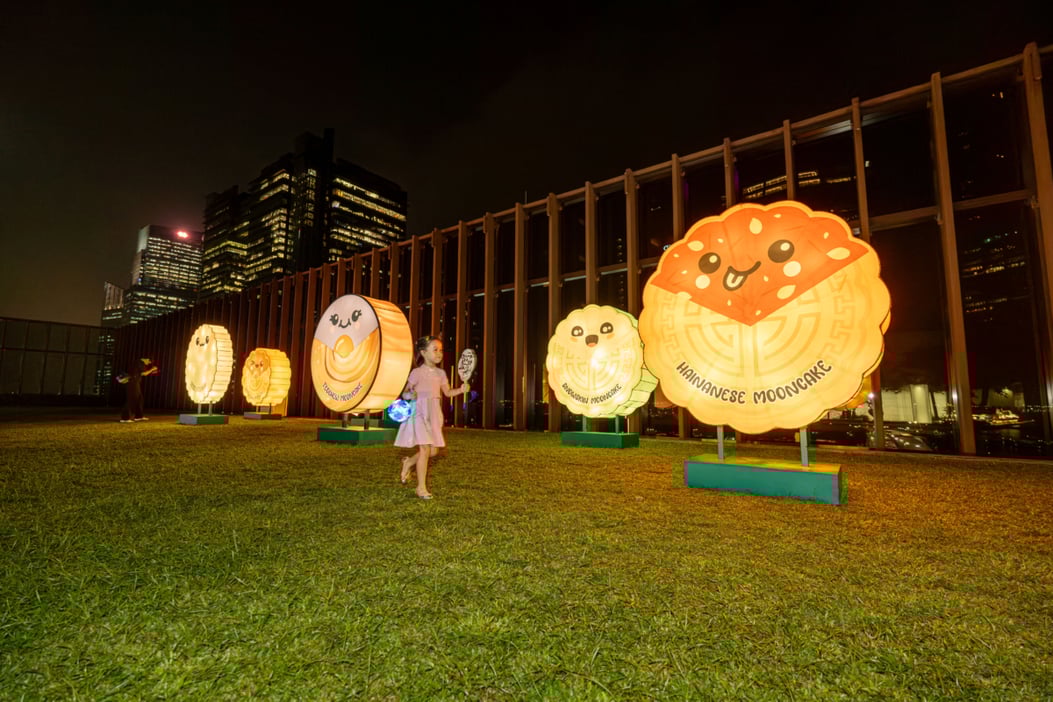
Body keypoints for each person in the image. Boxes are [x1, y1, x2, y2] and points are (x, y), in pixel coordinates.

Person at [395, 336, 470, 499]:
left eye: (441, 350)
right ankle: (421, 488)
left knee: (434, 451)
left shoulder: (441, 373)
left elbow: (447, 392)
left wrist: (461, 390)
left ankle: (408, 462)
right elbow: (405, 393)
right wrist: (410, 394)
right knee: (425, 449)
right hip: (419, 412)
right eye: (435, 350)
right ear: (423, 352)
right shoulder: (416, 372)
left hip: (435, 413)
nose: (439, 353)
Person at [119, 358, 159, 423]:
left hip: (135, 382)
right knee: (132, 399)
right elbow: (144, 374)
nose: (148, 364)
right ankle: (125, 418)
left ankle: (138, 416)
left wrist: (151, 371)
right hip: (132, 382)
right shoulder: (140, 363)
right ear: (147, 359)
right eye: (149, 362)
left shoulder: (138, 363)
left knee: (140, 399)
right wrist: (152, 369)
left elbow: (140, 373)